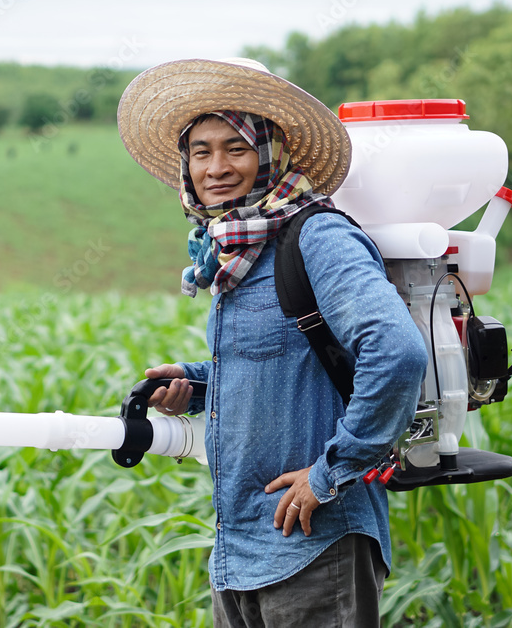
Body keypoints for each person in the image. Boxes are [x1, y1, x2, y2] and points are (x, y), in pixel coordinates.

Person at [117, 58, 428, 627]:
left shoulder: (316, 235)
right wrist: (196, 384)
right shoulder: (235, 253)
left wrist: (329, 473)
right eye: (200, 151)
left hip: (316, 543)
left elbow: (398, 353)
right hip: (239, 546)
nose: (215, 167)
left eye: (235, 147)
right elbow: (288, 359)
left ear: (270, 153)